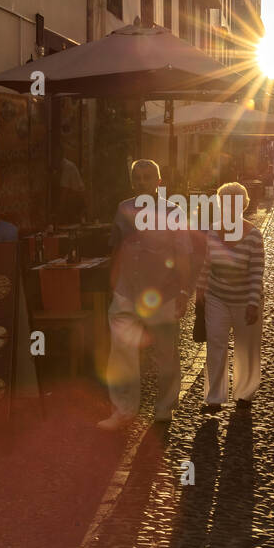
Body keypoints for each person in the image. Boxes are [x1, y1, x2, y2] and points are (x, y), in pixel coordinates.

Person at [97, 159, 194, 431]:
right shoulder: (123, 209)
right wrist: (112, 284)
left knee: (165, 354)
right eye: (137, 178)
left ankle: (164, 407)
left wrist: (184, 291)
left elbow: (183, 254)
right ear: (132, 182)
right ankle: (123, 410)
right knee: (121, 353)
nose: (141, 182)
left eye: (147, 177)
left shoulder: (173, 212)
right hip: (126, 291)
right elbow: (116, 249)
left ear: (158, 182)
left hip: (162, 294)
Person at [196, 182, 264, 414]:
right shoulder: (213, 232)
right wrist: (200, 291)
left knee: (246, 347)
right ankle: (214, 397)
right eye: (225, 204)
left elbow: (257, 272)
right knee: (216, 345)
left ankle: (244, 394)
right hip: (217, 298)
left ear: (243, 206)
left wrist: (254, 302)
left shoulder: (254, 236)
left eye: (234, 204)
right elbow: (206, 265)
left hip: (246, 299)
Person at [52, 150, 86, 225]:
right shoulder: (61, 168)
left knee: (72, 225)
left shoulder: (67, 167)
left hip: (76, 199)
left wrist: (59, 213)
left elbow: (64, 192)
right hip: (73, 198)